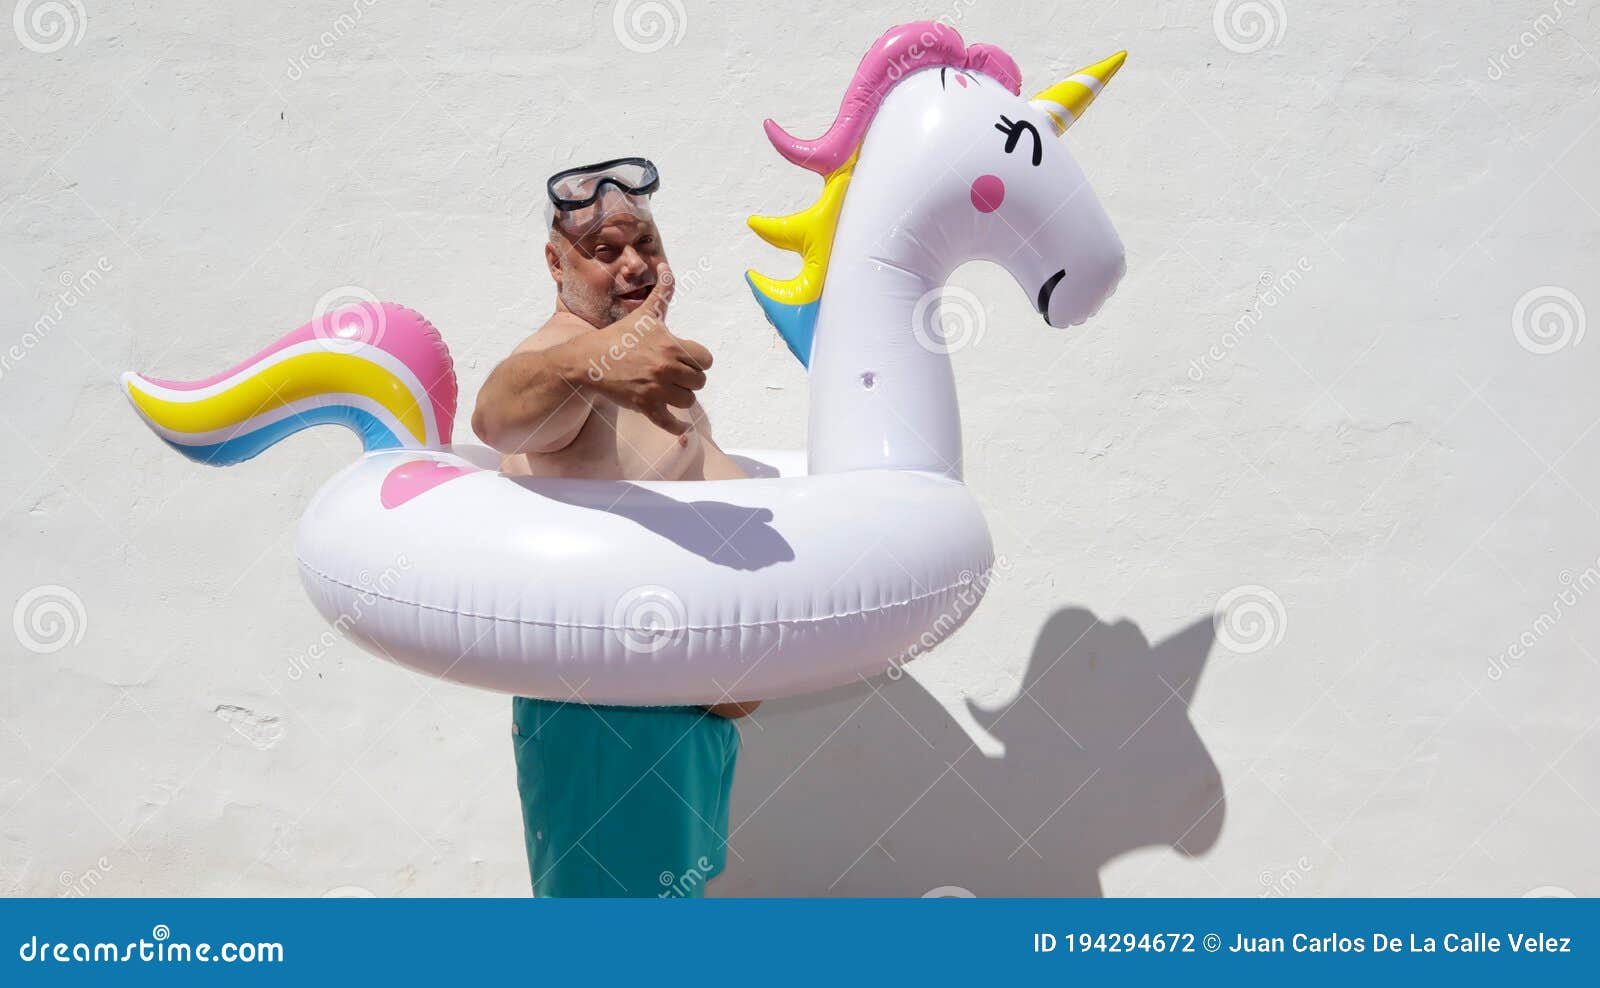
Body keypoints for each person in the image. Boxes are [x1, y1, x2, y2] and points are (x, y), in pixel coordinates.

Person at [472, 157, 759, 897]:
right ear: (555, 261)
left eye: (647, 246)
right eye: (605, 252)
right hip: (601, 724)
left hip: (682, 721)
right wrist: (590, 363)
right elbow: (498, 413)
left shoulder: (647, 366)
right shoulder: (558, 359)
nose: (634, 265)